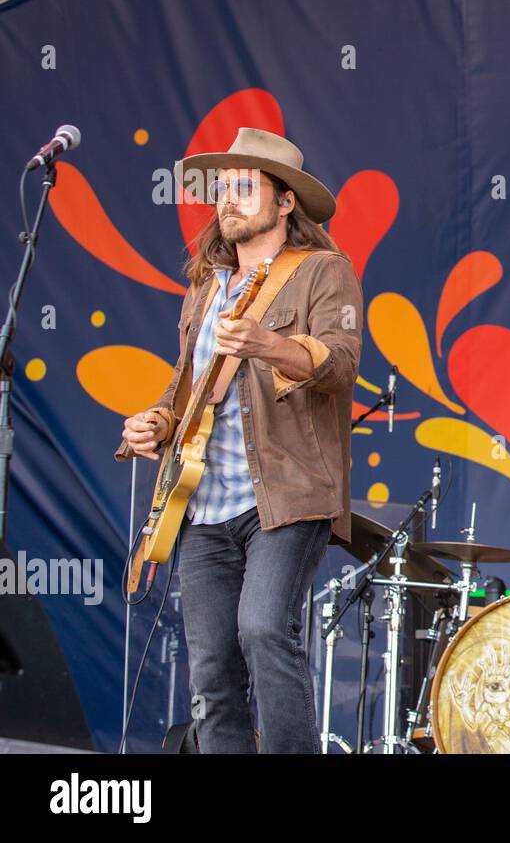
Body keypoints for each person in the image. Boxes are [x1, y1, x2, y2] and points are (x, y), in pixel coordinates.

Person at [116, 128, 362, 753]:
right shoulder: (205, 290)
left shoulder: (322, 272)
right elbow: (191, 391)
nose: (227, 198)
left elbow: (341, 365)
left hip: (285, 494)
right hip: (201, 503)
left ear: (285, 203)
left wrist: (270, 344)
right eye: (222, 188)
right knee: (211, 672)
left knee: (262, 629)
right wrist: (157, 423)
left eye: (244, 187)